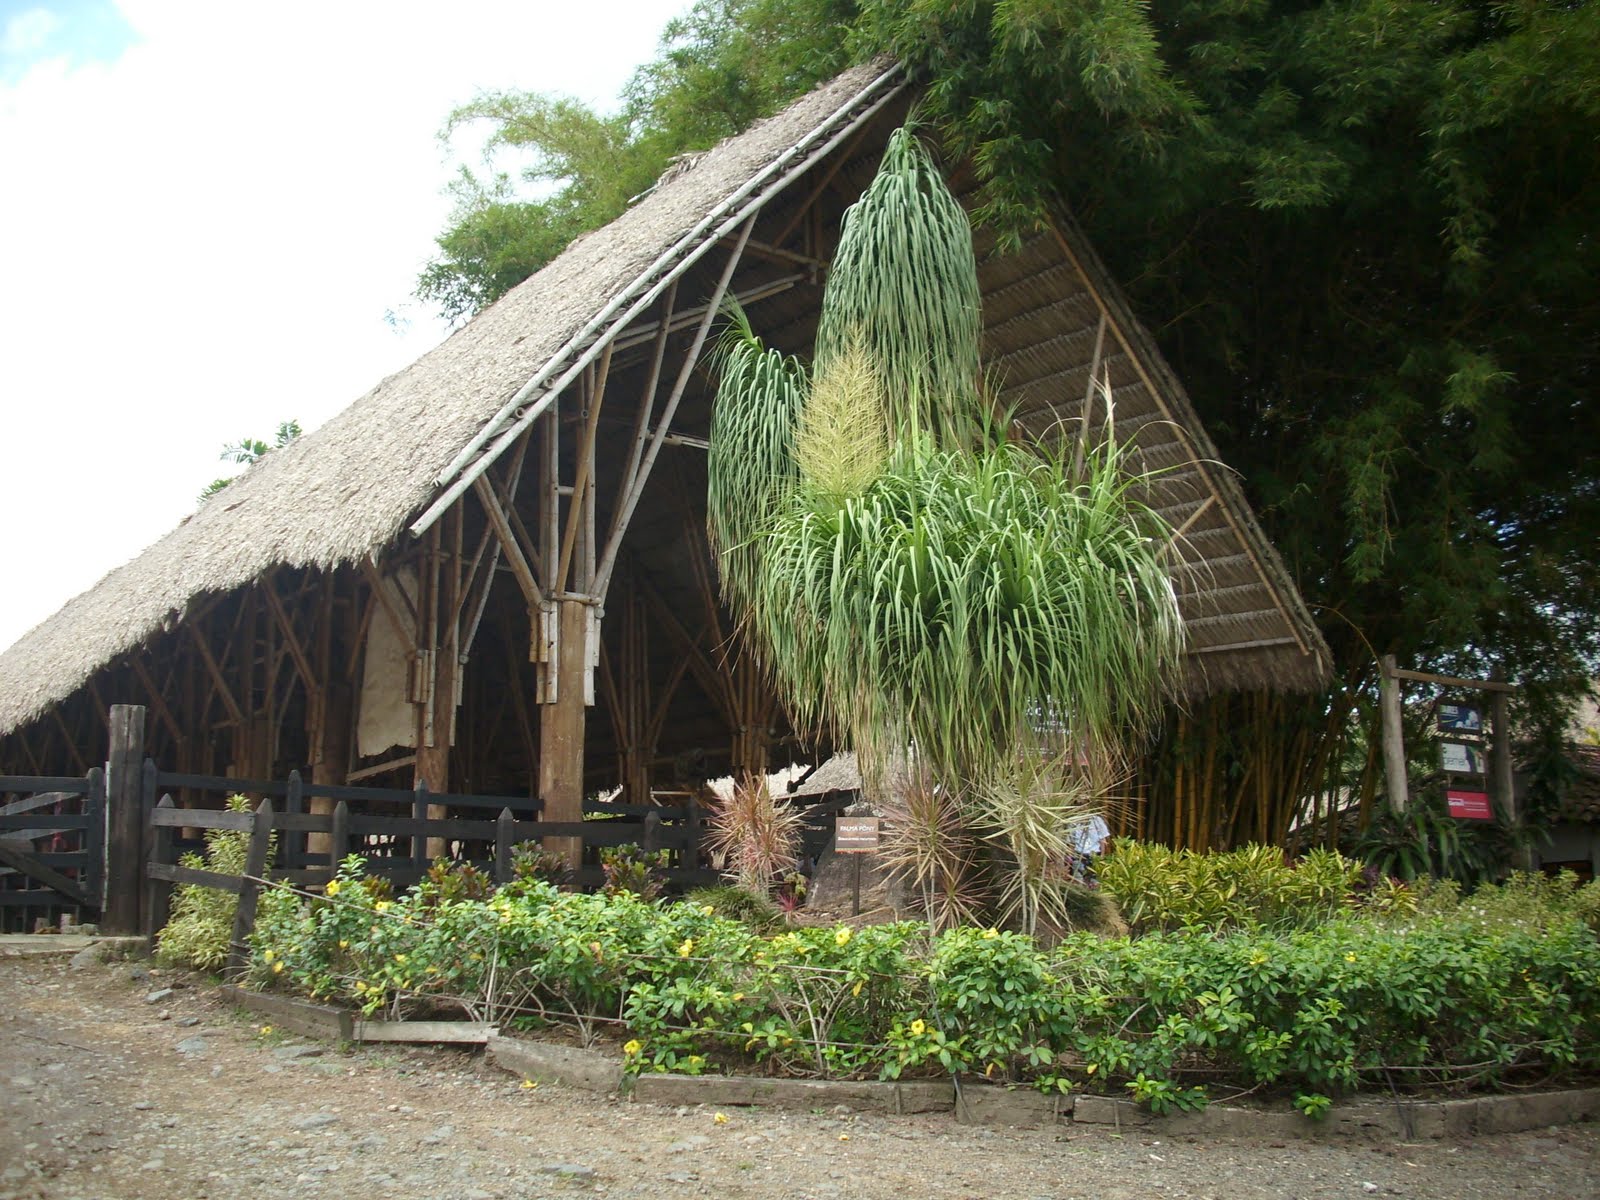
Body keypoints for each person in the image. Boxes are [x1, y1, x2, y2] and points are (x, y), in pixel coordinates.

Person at [1066, 812, 1111, 884]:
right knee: (1078, 881)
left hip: (1094, 855)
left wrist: (1101, 857)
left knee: (1094, 881)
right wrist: (1070, 858)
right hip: (1078, 855)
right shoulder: (1072, 822)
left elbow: (1103, 840)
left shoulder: (1096, 820)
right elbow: (1071, 842)